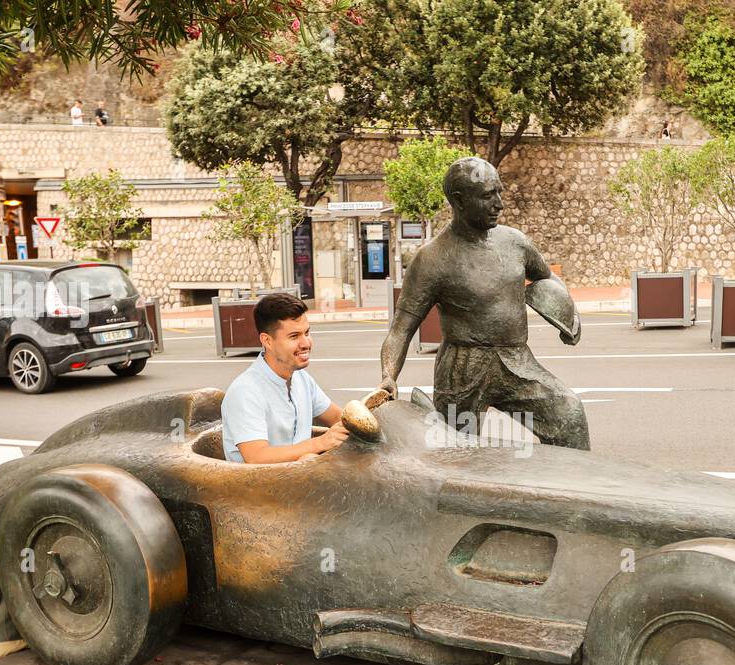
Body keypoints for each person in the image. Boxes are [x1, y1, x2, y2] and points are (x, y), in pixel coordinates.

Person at [379, 156, 590, 450]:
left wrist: (567, 314)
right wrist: (389, 376)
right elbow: (401, 329)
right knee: (457, 452)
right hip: (462, 368)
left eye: (499, 192)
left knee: (568, 414)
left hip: (517, 361)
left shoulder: (515, 242)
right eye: (488, 196)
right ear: (459, 200)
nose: (500, 204)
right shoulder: (432, 259)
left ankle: (574, 491)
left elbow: (548, 278)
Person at [221, 293, 348, 464]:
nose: (306, 343)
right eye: (294, 336)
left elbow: (338, 418)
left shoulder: (302, 379)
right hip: (260, 488)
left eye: (307, 332)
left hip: (301, 481)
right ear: (267, 341)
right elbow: (256, 456)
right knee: (311, 459)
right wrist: (320, 443)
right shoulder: (245, 391)